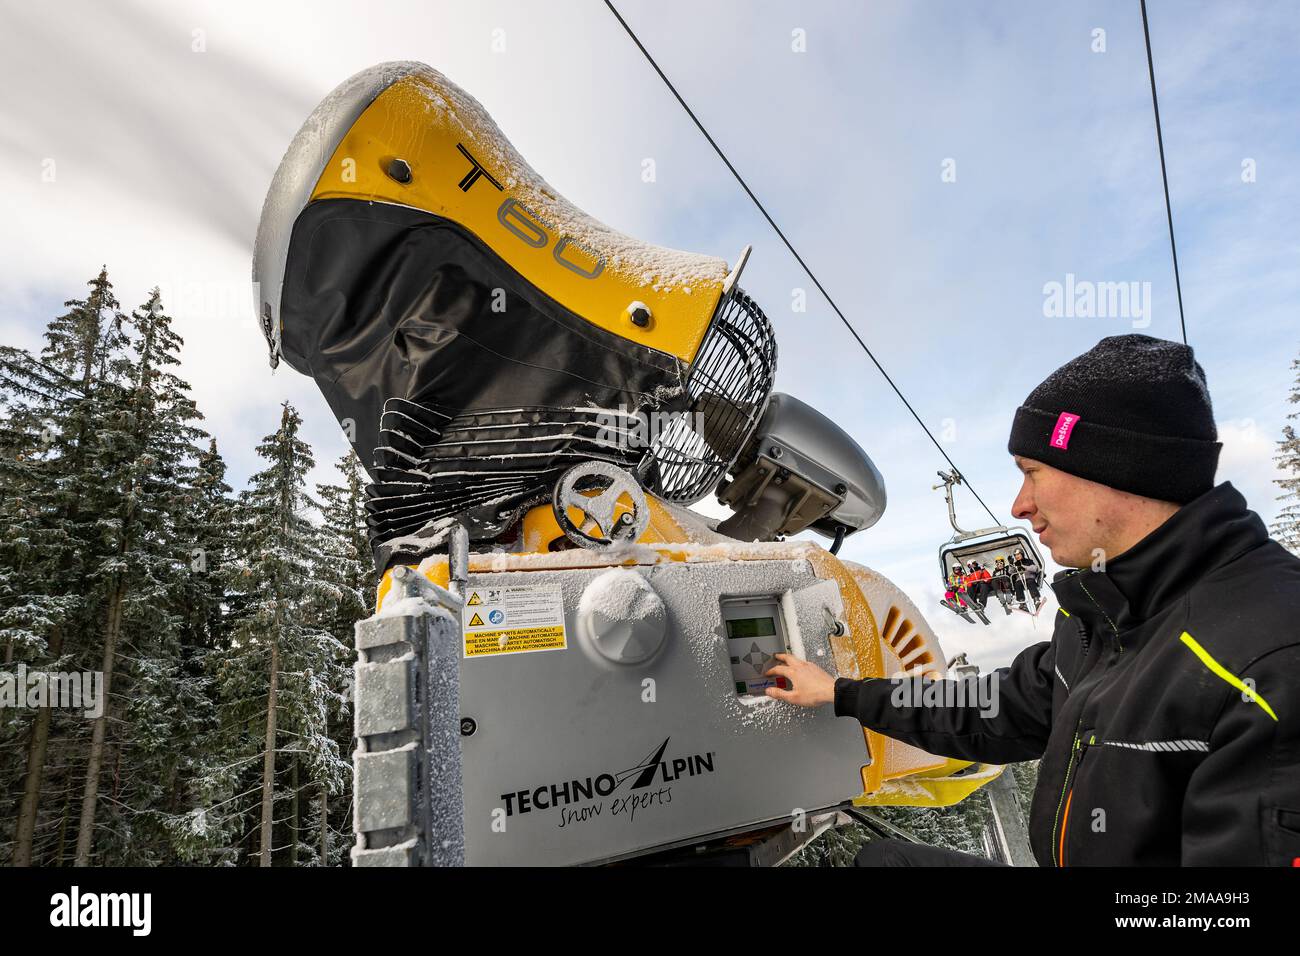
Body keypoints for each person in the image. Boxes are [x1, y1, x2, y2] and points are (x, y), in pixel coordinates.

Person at [766, 334, 1300, 866]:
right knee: (887, 864)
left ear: (1112, 467)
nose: (1020, 505)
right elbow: (999, 708)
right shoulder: (1105, 617)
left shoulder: (1271, 655)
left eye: (1031, 472)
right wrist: (843, 694)